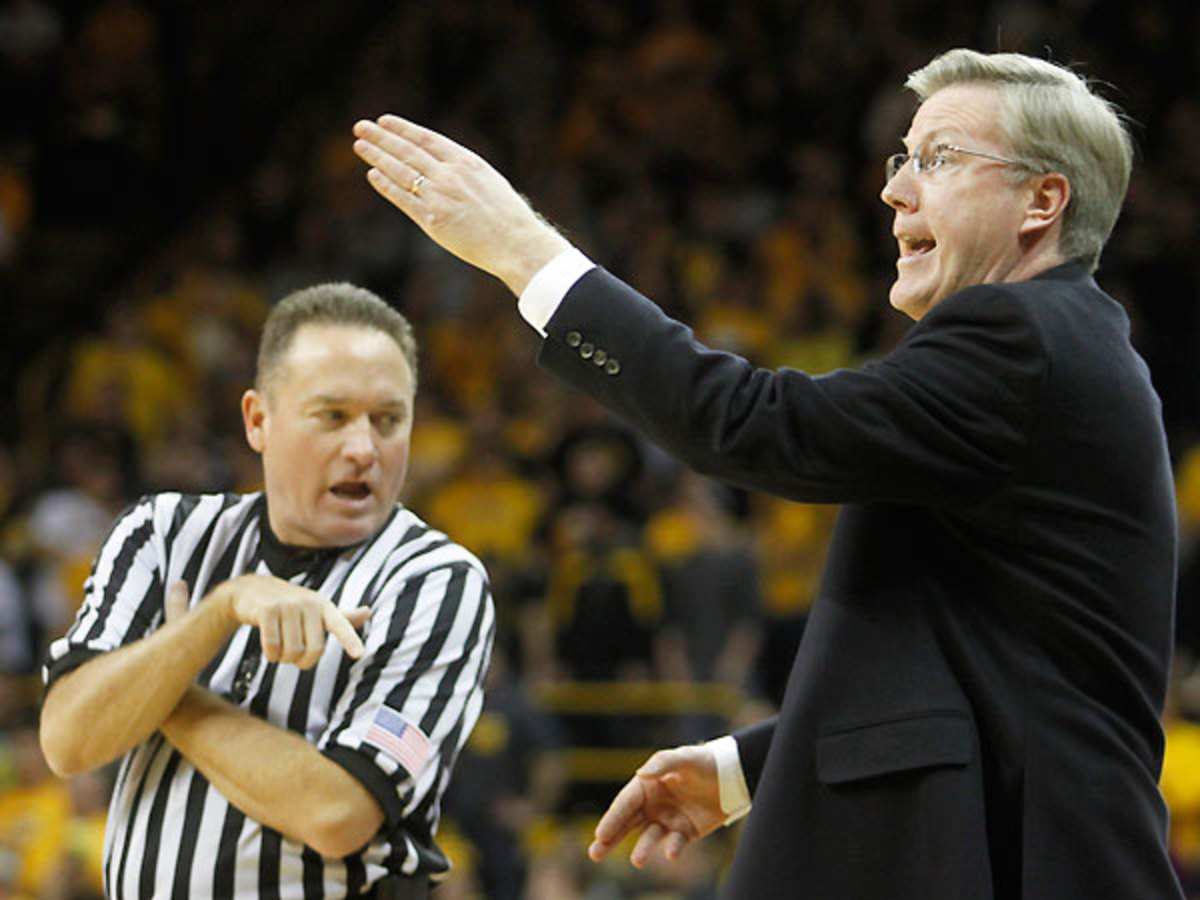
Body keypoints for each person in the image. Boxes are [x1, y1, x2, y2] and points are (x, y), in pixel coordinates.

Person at [351, 46, 1184, 898]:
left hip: (1021, 858)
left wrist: (524, 252)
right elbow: (984, 665)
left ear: (1042, 200)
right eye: (902, 159)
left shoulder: (1022, 336)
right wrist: (748, 765)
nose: (896, 189)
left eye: (938, 158)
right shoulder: (1055, 350)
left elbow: (753, 423)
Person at [39, 283, 495, 898]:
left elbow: (338, 814)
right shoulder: (164, 532)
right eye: (332, 416)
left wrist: (169, 687)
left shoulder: (436, 581)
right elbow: (69, 738)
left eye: (389, 420)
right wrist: (219, 612)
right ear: (258, 420)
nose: (364, 448)